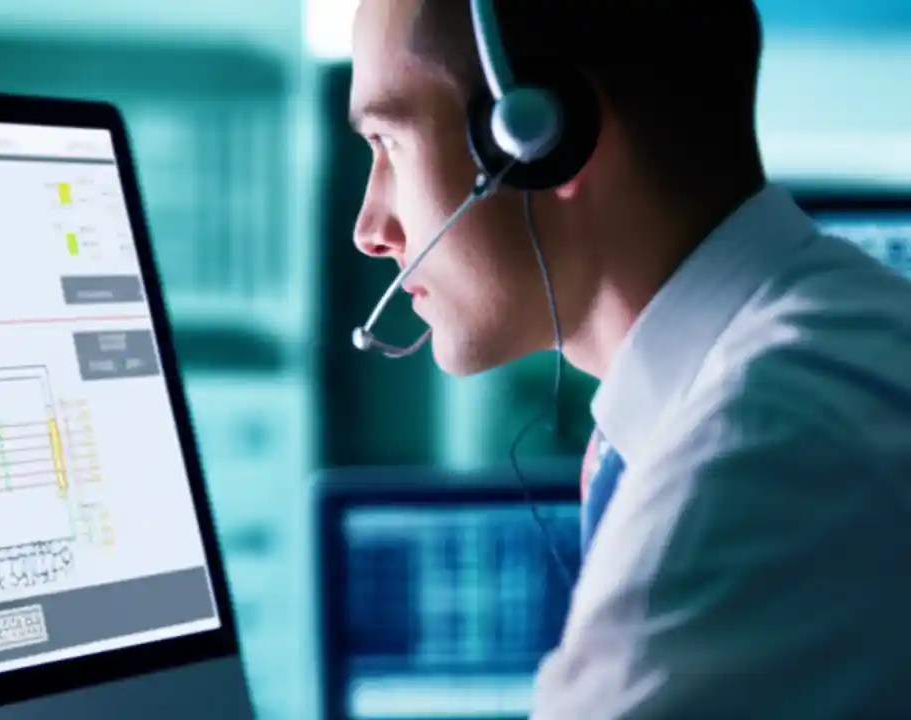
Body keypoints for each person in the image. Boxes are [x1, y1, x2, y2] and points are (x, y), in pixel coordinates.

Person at [348, 0, 911, 717]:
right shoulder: (822, 347)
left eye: (388, 143)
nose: (371, 229)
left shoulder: (756, 464)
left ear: (544, 135)